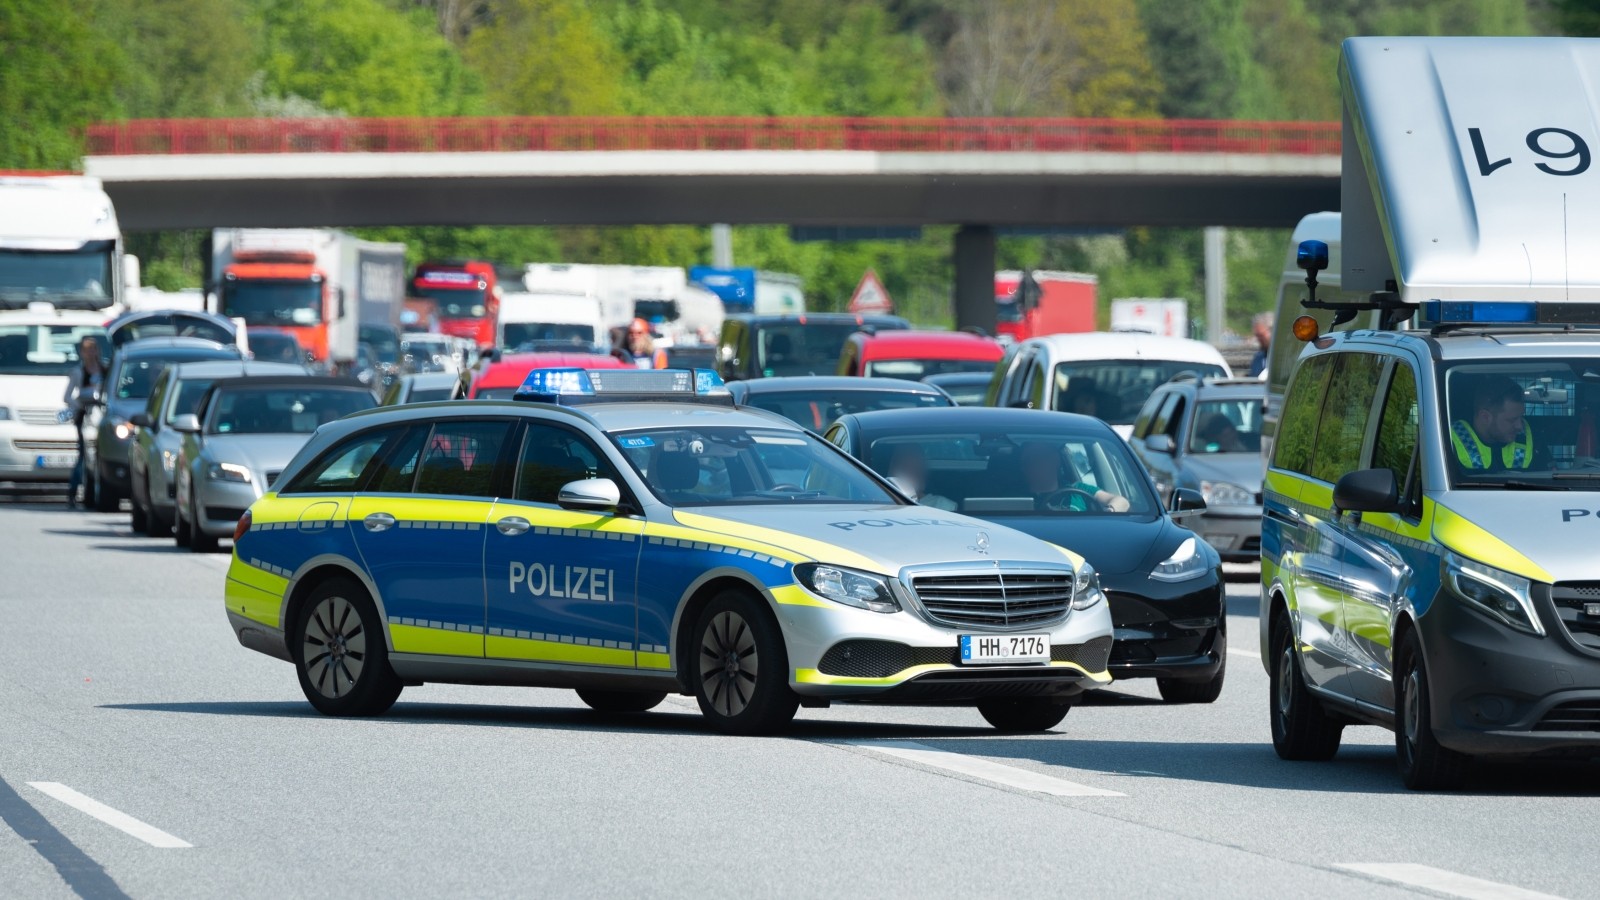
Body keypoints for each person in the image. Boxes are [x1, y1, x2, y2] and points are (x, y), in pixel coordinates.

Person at [1451, 376, 1545, 471]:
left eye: (1521, 417)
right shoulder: (1448, 443)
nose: (1520, 426)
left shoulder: (1530, 437)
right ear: (1485, 417)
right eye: (1512, 420)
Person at [1018, 441, 1131, 512]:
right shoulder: (1015, 498)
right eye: (1031, 459)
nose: (1039, 463)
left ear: (1056, 460)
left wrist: (1110, 511)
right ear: (1023, 467)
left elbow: (1121, 502)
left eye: (1043, 457)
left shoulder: (1079, 490)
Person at [61, 336, 106, 509]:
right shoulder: (78, 372)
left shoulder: (104, 370)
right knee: (83, 455)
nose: (91, 353)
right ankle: (73, 491)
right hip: (84, 417)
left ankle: (96, 490)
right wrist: (80, 403)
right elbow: (66, 396)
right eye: (87, 350)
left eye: (93, 349)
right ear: (82, 352)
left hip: (101, 417)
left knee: (101, 454)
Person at [886, 443, 956, 511]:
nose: (911, 472)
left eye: (915, 467)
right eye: (904, 466)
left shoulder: (943, 505)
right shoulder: (881, 503)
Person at [1248, 311, 1274, 378]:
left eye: (1261, 335)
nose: (1258, 339)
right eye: (1257, 336)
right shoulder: (1258, 359)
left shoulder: (1285, 359)